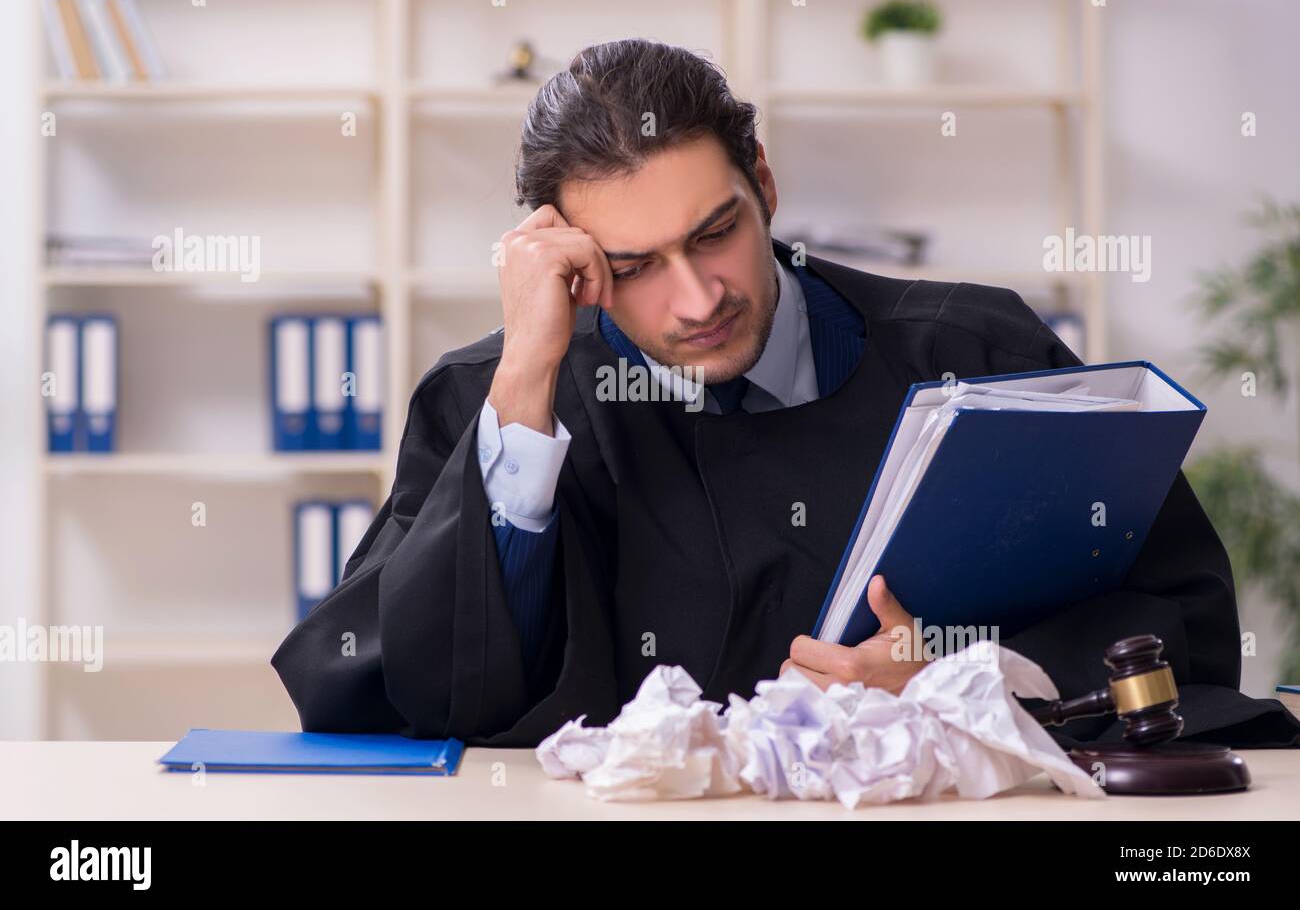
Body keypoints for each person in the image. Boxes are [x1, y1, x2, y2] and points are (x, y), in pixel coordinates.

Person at [272, 38, 1299, 751]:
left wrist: (973, 678)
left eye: (714, 231)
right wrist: (528, 384)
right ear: (567, 258)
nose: (695, 299)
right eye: (632, 266)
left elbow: (1178, 628)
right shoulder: (492, 400)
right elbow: (396, 683)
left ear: (762, 180)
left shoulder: (975, 349)